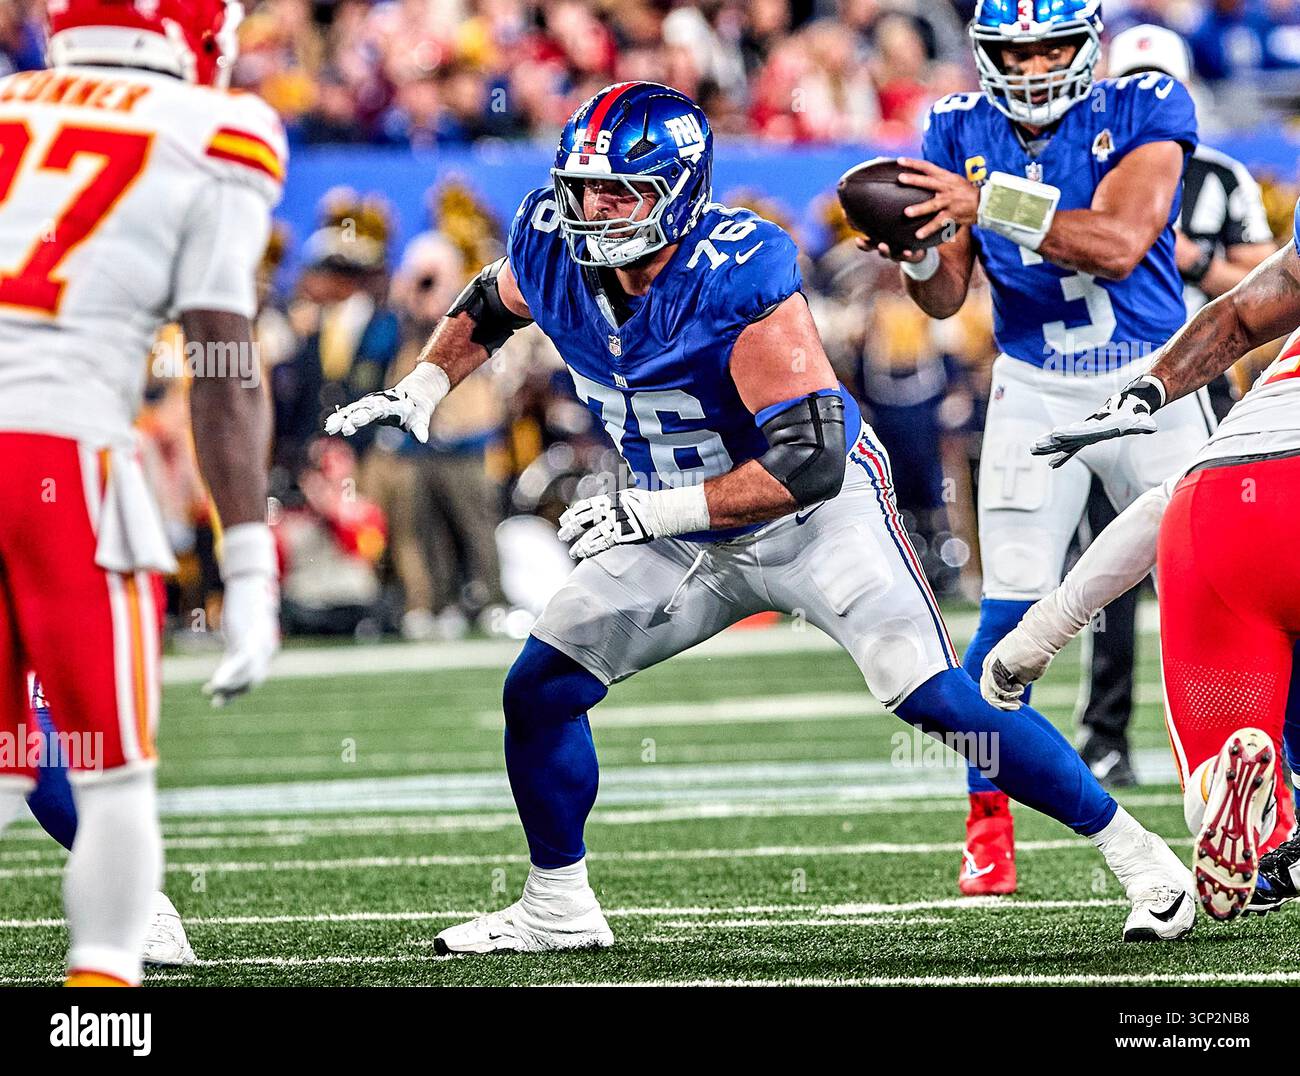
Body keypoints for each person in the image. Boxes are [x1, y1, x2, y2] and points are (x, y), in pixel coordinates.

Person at [328, 80, 1196, 954]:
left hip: (816, 517)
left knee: (942, 699)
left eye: (622, 190)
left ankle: (1142, 858)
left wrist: (647, 511)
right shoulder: (554, 243)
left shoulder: (736, 269)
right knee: (541, 688)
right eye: (586, 187)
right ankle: (558, 903)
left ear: (680, 189)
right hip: (677, 523)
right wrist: (425, 385)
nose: (597, 208)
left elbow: (809, 459)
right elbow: (491, 301)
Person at [861, 0, 1214, 895]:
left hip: (1152, 380)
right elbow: (945, 300)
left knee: (1220, 592)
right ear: (984, 54)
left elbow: (1124, 243)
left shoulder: (1142, 104)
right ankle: (987, 821)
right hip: (1032, 385)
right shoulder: (955, 126)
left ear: (1086, 46)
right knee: (998, 624)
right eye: (1011, 52)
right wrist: (911, 249)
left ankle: (1269, 794)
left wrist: (987, 200)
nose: (1029, 68)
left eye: (1050, 47)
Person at [0, 0, 283, 986]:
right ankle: (105, 1005)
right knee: (107, 765)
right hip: (53, 461)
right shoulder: (217, 129)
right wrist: (249, 563)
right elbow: (219, 356)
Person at [990, 195, 1300, 917]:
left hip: (1222, 499)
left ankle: (1227, 786)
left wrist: (1043, 632)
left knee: (1209, 775)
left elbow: (1236, 317)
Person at [1067, 23, 1279, 790]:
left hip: (1198, 384)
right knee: (1108, 566)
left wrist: (1197, 258)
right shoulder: (1082, 166)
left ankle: (1250, 743)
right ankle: (1107, 734)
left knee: (1214, 562)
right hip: (1108, 381)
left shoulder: (1218, 173)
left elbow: (1264, 271)